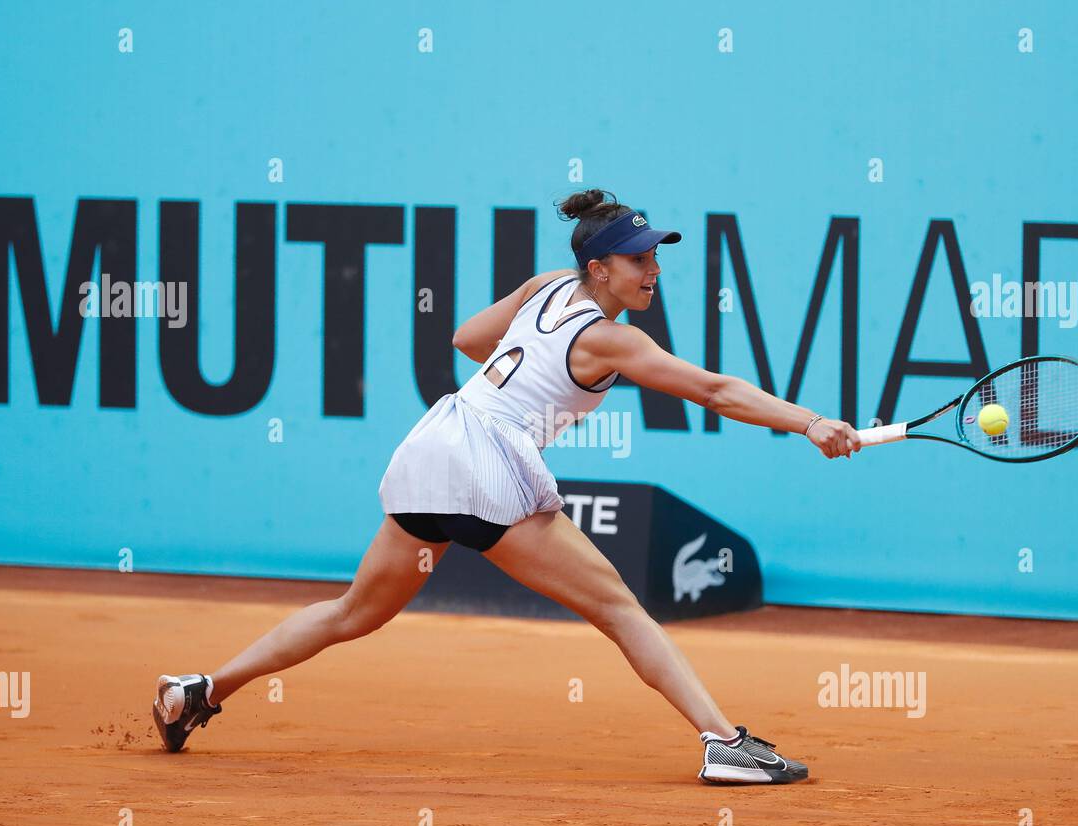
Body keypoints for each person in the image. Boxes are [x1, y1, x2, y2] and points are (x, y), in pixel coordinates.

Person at [152, 188, 862, 784]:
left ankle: (202, 691)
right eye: (638, 260)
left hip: (434, 446)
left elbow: (467, 338)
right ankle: (722, 745)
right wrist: (810, 422)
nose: (653, 272)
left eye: (655, 259)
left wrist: (534, 368)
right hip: (486, 462)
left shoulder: (546, 285)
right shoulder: (613, 340)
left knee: (352, 612)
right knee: (619, 608)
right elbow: (712, 389)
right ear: (599, 267)